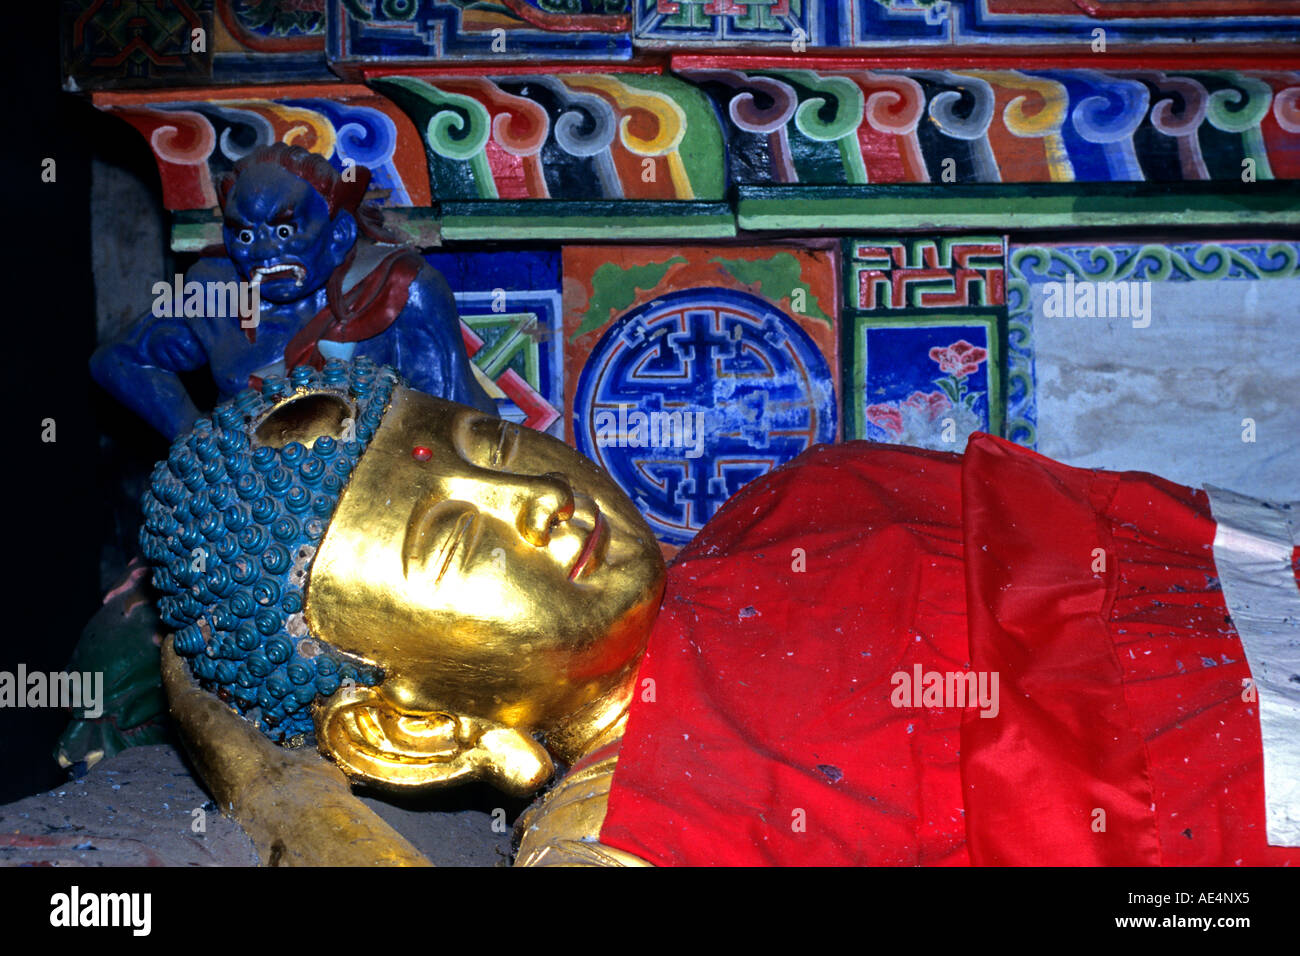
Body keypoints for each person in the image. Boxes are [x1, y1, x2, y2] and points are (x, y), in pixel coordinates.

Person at [149, 358, 1300, 866]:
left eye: (490, 445)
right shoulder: (628, 825)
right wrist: (263, 781)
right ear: (407, 727)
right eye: (455, 539)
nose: (531, 501)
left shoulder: (810, 495)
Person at [91, 143, 493, 441]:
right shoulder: (218, 291)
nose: (265, 252)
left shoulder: (400, 290)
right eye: (245, 234)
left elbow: (463, 420)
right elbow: (119, 361)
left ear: (339, 235)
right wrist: (194, 436)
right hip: (250, 512)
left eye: (285, 231)